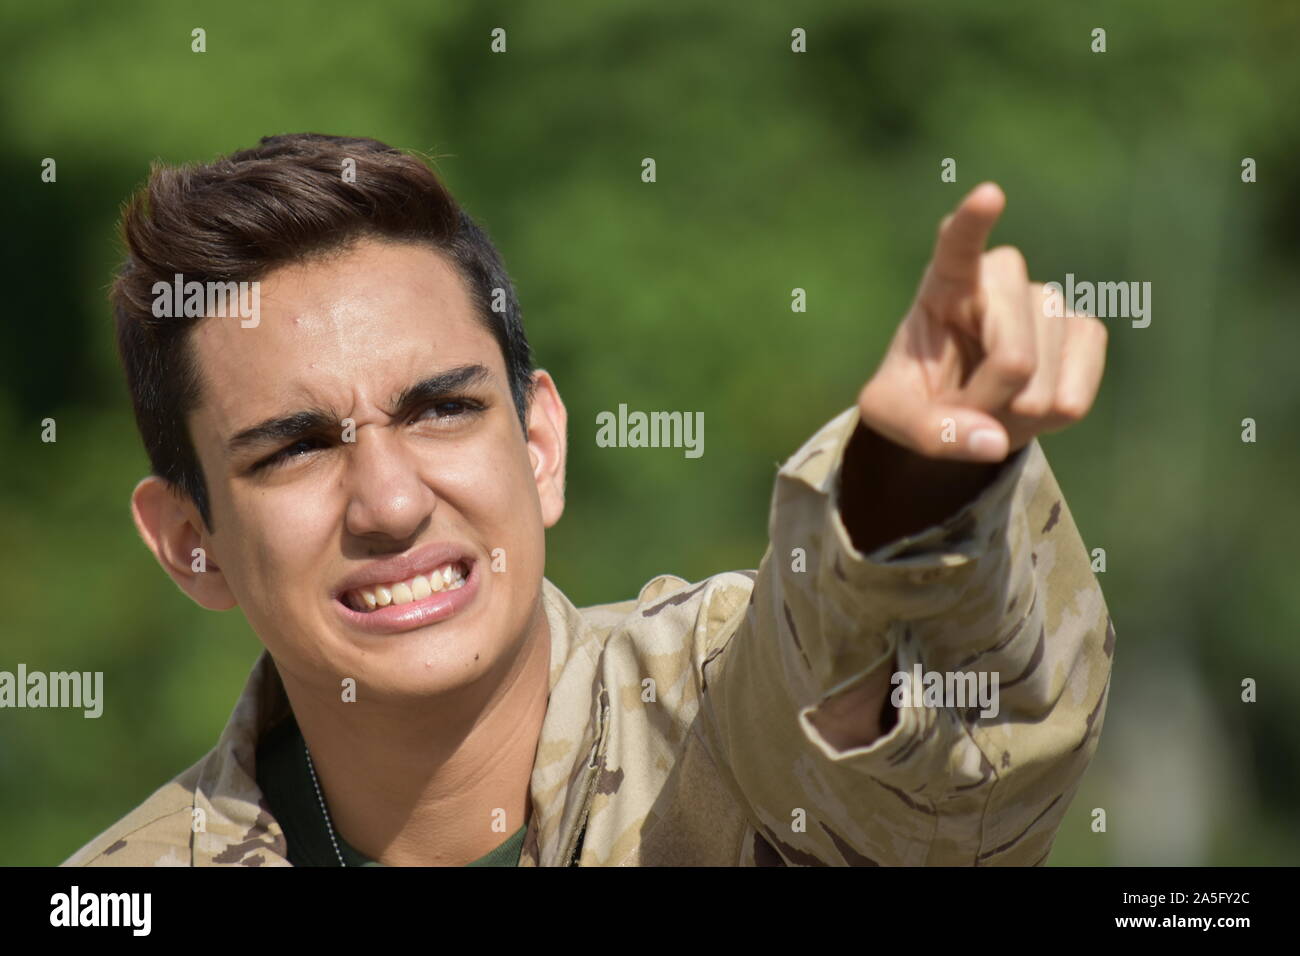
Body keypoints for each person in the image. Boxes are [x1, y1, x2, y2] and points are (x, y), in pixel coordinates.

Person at [63, 133, 1112, 866]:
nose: (387, 500)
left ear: (540, 443)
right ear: (191, 542)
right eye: (293, 448)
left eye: (439, 409)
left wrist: (907, 481)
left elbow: (909, 750)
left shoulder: (713, 710)